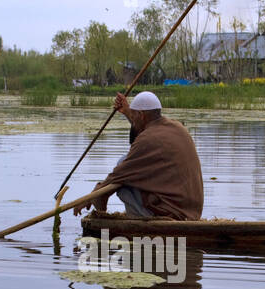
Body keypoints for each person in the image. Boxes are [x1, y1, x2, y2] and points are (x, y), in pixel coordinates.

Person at [76, 91, 204, 220]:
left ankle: (138, 221)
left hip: (172, 212)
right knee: (125, 165)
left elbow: (119, 175)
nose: (132, 119)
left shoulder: (148, 139)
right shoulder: (177, 127)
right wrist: (128, 112)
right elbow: (143, 127)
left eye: (134, 115)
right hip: (191, 211)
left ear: (141, 115)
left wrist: (92, 197)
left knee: (123, 181)